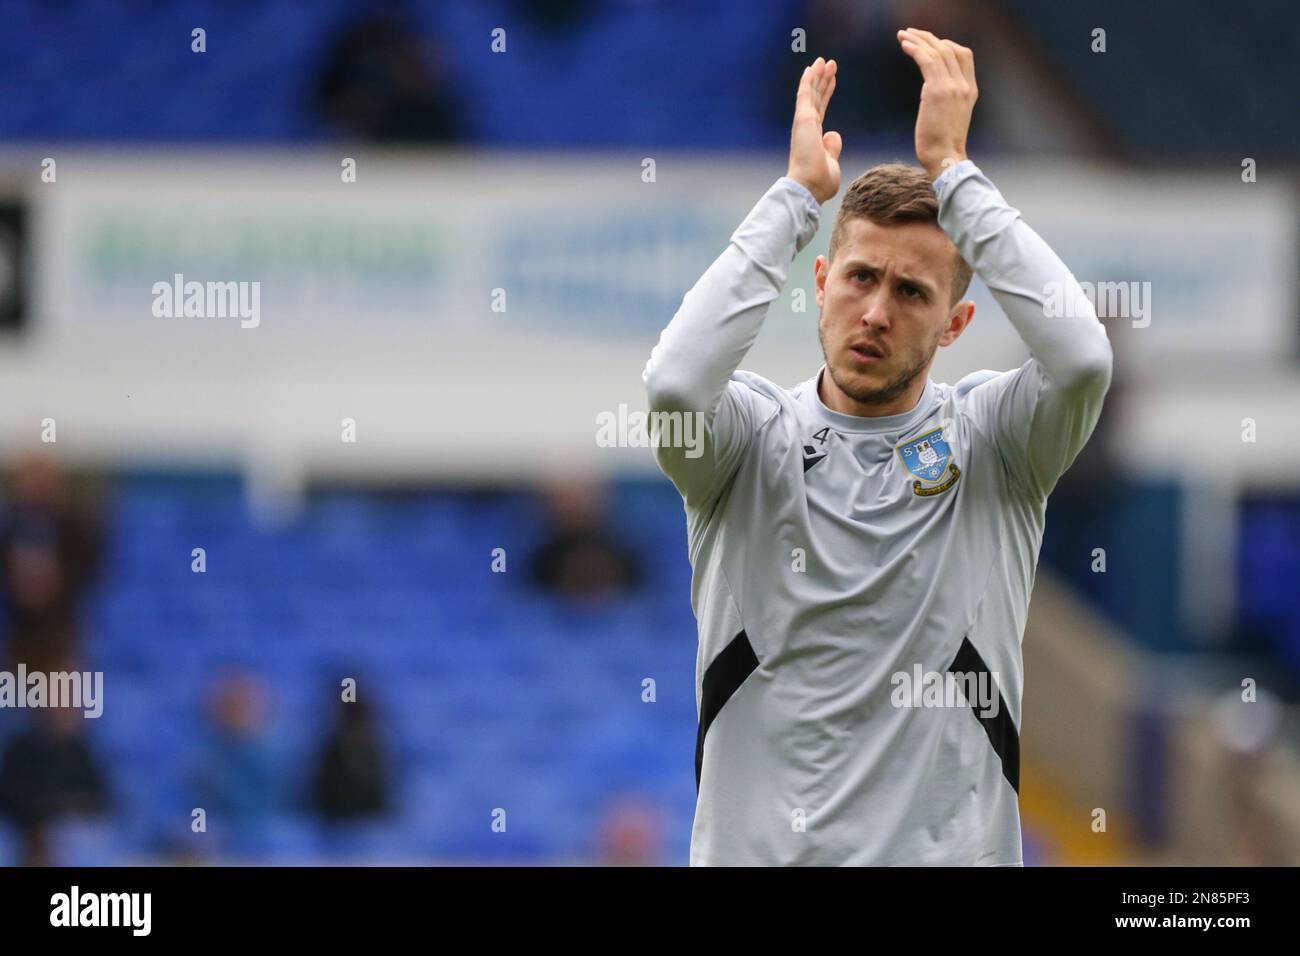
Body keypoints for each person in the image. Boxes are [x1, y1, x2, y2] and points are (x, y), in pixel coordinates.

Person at [642, 34, 1112, 865]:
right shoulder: (746, 442)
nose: (876, 312)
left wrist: (957, 176)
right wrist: (794, 199)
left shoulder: (996, 444)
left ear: (956, 324)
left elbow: (1081, 358)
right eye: (860, 277)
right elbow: (676, 385)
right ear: (819, 282)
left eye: (911, 291)